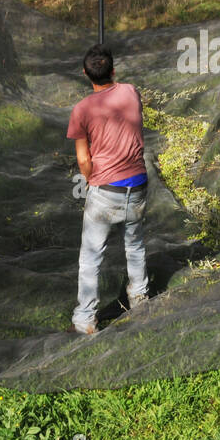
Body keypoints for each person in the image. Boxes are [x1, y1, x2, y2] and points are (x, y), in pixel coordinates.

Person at [66, 44, 149, 335]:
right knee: (135, 246)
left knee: (91, 257)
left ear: (85, 74)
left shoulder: (81, 110)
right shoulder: (131, 92)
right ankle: (140, 300)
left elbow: (83, 159)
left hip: (105, 190)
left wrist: (92, 179)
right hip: (138, 187)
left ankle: (85, 319)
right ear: (113, 70)